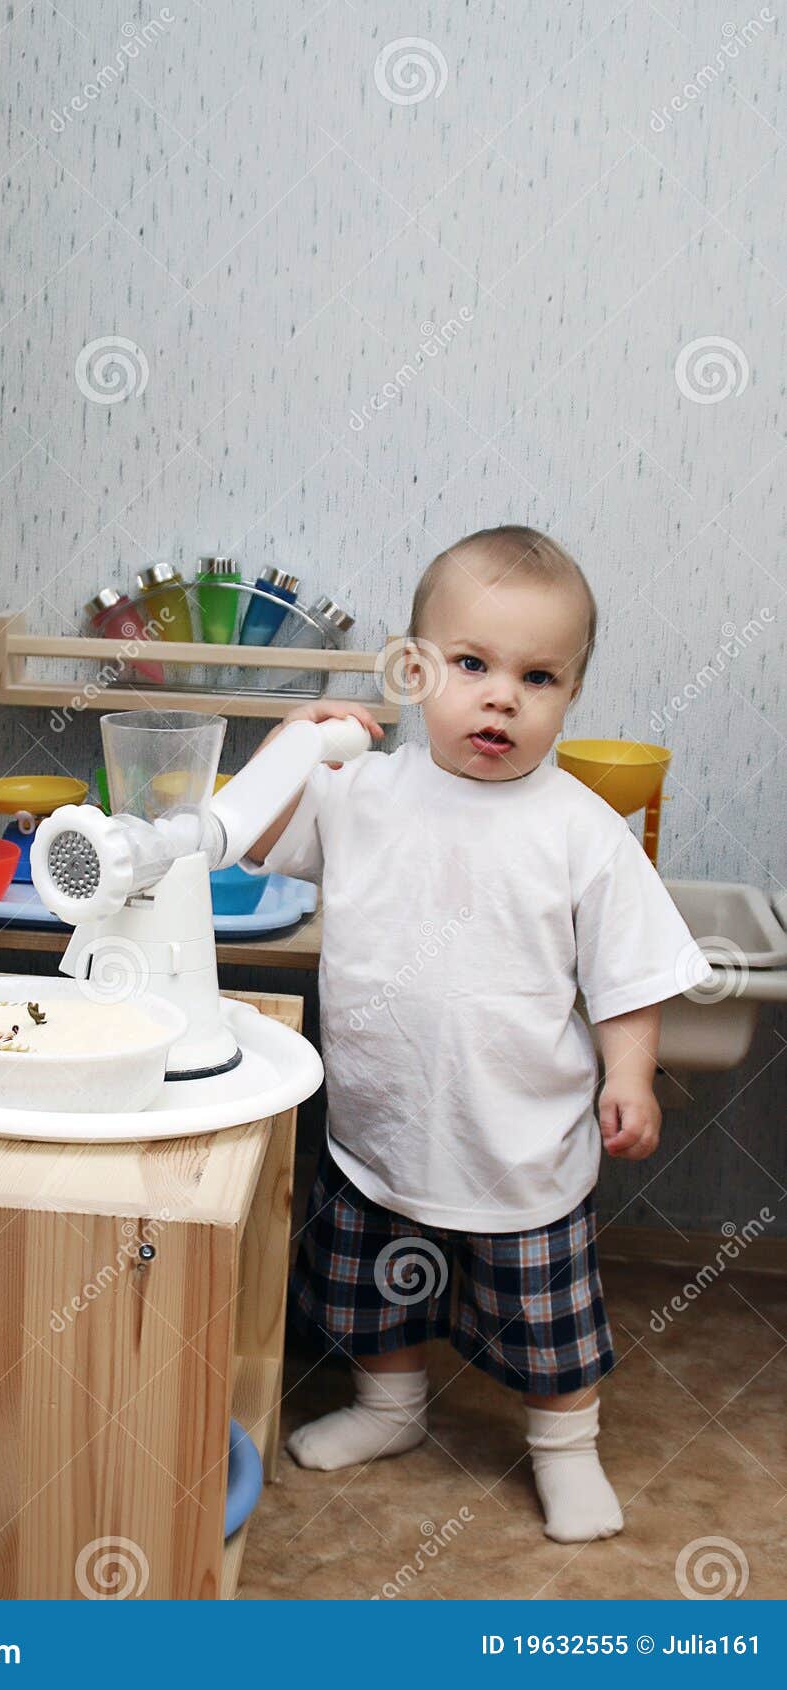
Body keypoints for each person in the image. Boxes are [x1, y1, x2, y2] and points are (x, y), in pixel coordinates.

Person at [241, 525, 713, 1543]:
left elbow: (628, 970)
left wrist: (631, 1070)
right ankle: (390, 1407)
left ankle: (564, 1448)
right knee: (372, 1294)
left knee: (546, 1320)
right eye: (471, 663)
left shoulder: (579, 828)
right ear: (413, 669)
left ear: (570, 695)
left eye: (538, 676)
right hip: (382, 1129)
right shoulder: (365, 793)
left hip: (521, 1142)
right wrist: (293, 748)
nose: (502, 695)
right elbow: (262, 843)